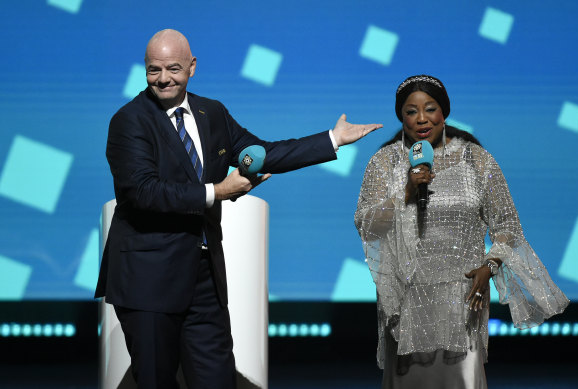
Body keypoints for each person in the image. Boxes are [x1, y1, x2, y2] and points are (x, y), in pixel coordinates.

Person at [95, 29, 382, 389]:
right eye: (154, 70)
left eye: (173, 68)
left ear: (192, 67)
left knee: (217, 380)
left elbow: (261, 152)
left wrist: (332, 139)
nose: (164, 78)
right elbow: (141, 191)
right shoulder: (129, 120)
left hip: (203, 277)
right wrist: (218, 191)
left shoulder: (211, 113)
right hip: (148, 278)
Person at [354, 75, 569, 388]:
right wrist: (406, 193)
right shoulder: (384, 163)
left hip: (463, 296)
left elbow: (506, 224)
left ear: (445, 111)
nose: (422, 118)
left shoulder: (476, 159)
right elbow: (366, 224)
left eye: (430, 108)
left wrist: (490, 265)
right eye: (411, 111)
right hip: (408, 300)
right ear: (401, 117)